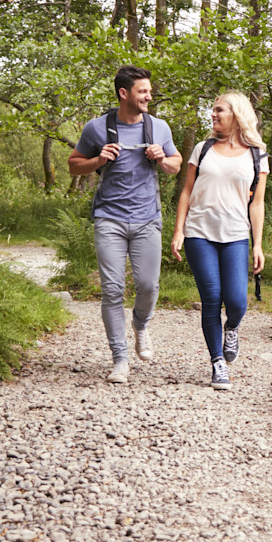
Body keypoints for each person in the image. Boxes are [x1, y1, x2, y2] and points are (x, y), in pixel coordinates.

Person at [68, 65, 182, 384]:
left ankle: (141, 324)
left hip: (147, 219)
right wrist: (98, 160)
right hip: (109, 219)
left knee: (148, 286)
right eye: (143, 91)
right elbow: (74, 166)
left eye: (149, 90)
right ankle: (120, 359)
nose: (149, 96)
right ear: (124, 94)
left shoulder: (158, 127)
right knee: (112, 289)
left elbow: (176, 165)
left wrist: (162, 158)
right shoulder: (96, 128)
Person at [171, 91, 268, 389]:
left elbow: (257, 203)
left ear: (236, 114)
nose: (213, 115)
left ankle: (233, 327)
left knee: (237, 301)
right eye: (213, 110)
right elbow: (186, 191)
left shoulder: (257, 154)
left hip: (236, 235)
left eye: (219, 110)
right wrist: (179, 230)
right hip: (200, 233)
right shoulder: (203, 148)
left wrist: (258, 244)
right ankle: (218, 364)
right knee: (211, 298)